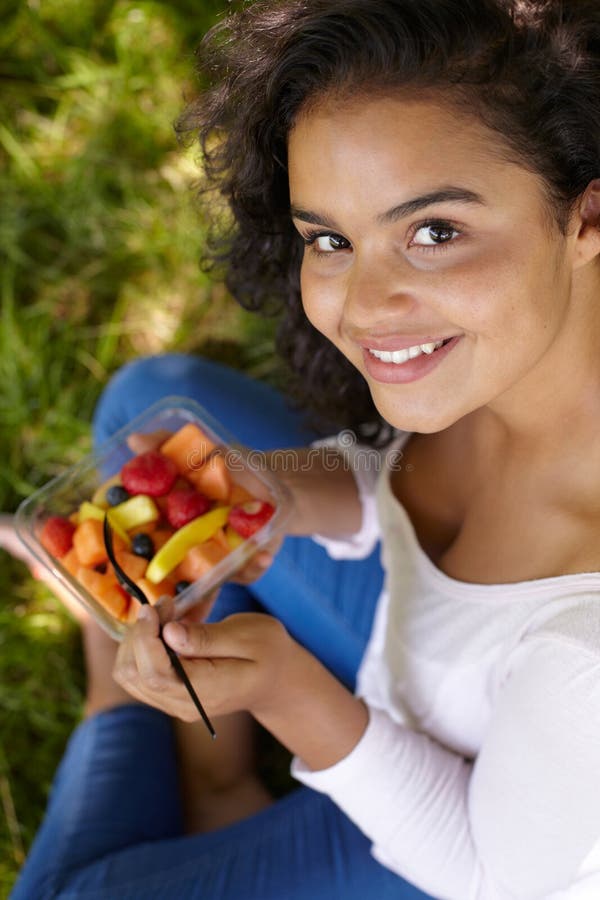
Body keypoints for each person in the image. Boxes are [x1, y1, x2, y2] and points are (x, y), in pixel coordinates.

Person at [6, 0, 600, 897]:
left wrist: (287, 692)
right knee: (151, 413)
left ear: (586, 218)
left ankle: (117, 705)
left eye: (434, 233)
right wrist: (282, 492)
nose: (361, 307)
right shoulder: (505, 351)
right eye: (331, 238)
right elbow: (410, 491)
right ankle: (217, 779)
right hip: (422, 659)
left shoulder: (584, 661)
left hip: (455, 824)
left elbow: (487, 875)